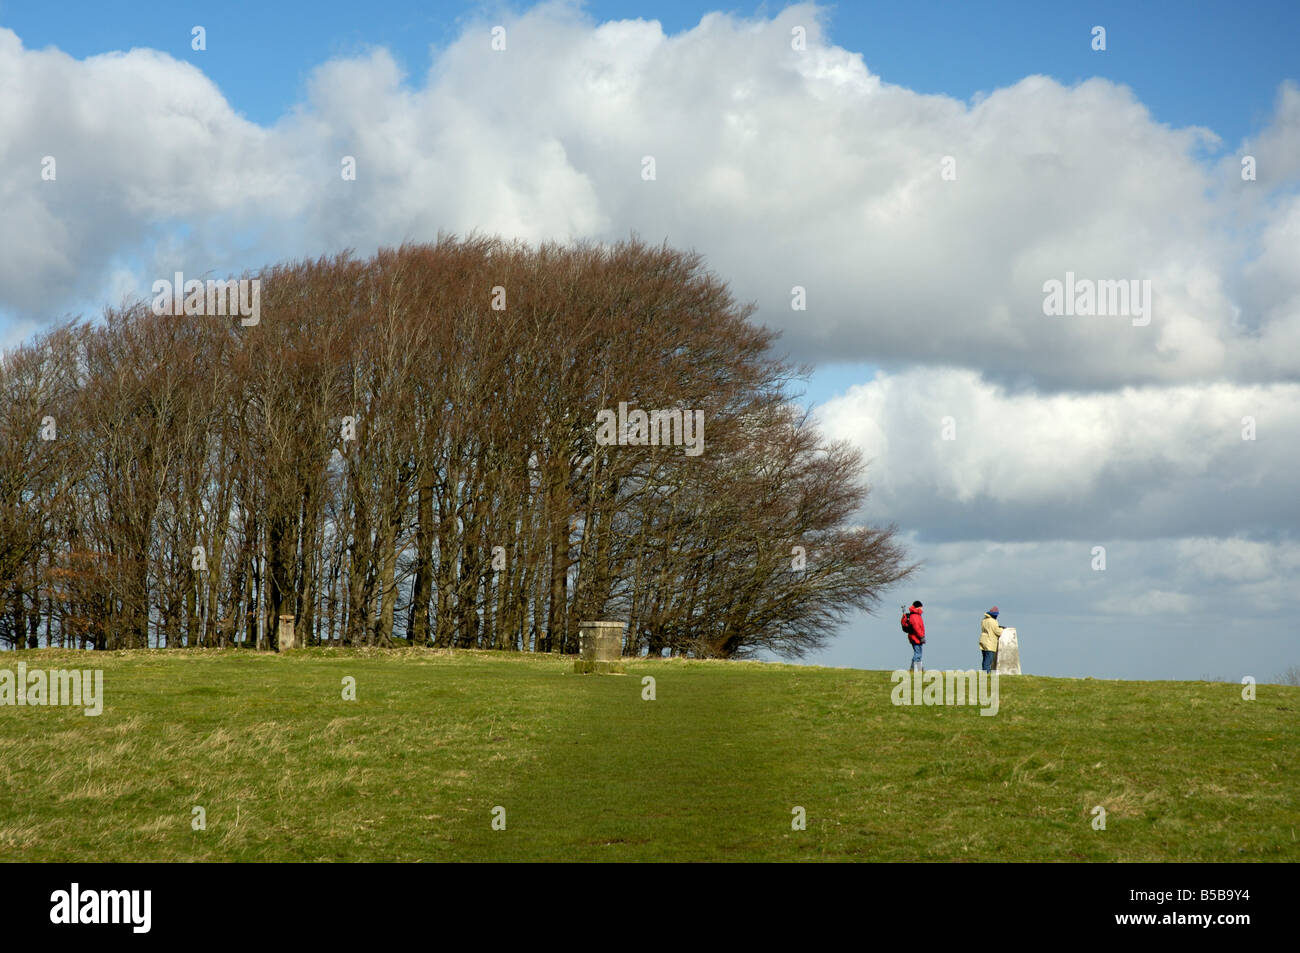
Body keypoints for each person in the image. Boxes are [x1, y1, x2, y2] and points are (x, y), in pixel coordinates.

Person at [980, 606, 1003, 672]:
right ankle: (987, 674)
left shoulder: (984, 620)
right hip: (990, 642)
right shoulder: (993, 621)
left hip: (983, 641)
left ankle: (984, 673)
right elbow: (997, 632)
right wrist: (1002, 629)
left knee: (985, 659)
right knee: (988, 660)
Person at [904, 600, 925, 671]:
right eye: (921, 607)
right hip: (916, 637)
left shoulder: (916, 615)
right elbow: (917, 628)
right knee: (918, 654)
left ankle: (918, 669)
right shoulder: (915, 616)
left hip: (915, 637)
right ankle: (913, 668)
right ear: (918, 607)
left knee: (918, 653)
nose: (922, 609)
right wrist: (921, 636)